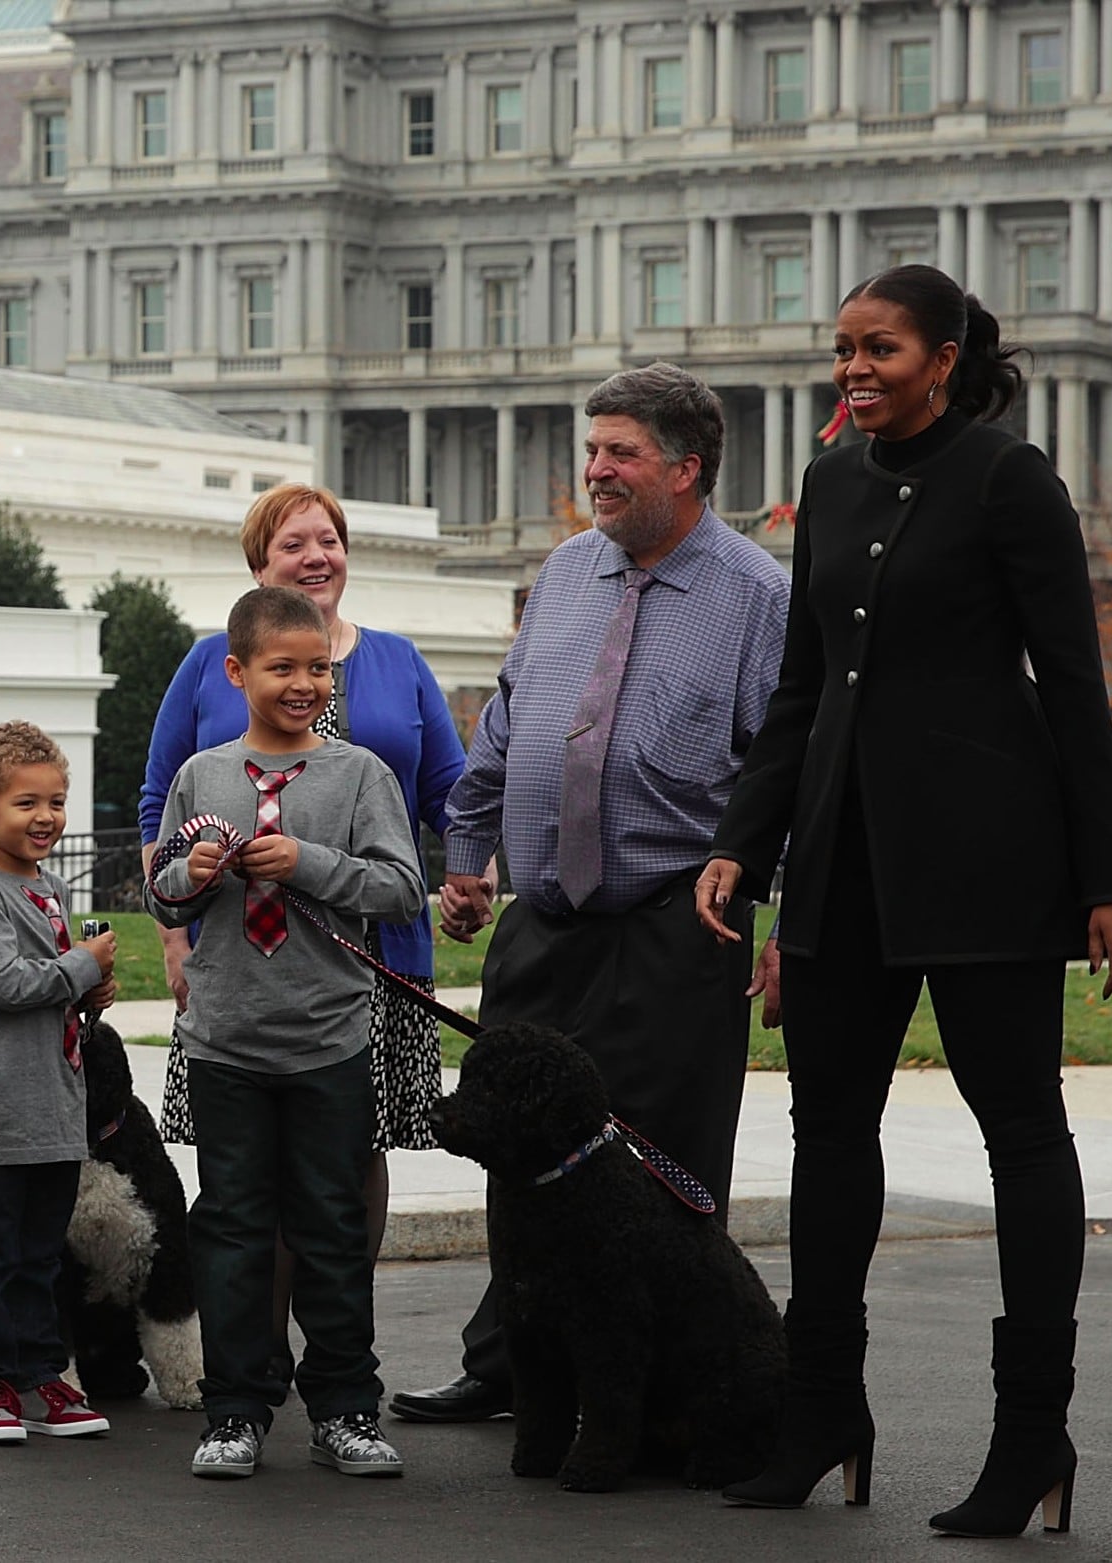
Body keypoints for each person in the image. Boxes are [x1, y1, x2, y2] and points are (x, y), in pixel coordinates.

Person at [695, 266, 1112, 1537]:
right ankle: (822, 1410)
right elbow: (801, 690)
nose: (853, 368)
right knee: (828, 1136)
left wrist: (1110, 884)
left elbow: (1071, 684)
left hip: (991, 863)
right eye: (841, 348)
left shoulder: (1009, 480)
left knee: (1021, 1133)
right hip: (843, 860)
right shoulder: (831, 482)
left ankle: (1030, 1438)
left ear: (942, 358)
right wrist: (748, 842)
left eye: (878, 348)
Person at [393, 362, 791, 1428]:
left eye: (620, 453)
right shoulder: (566, 573)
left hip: (677, 927)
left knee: (655, 1171)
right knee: (514, 1153)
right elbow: (512, 727)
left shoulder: (758, 597)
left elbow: (785, 775)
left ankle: (667, 1398)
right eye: (594, 449)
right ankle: (511, 1368)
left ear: (685, 467)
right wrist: (468, 853)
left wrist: (786, 921)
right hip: (543, 926)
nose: (596, 471)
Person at [138, 482, 467, 1269]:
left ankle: (340, 1340)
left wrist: (470, 873)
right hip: (241, 965)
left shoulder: (400, 659)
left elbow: (452, 793)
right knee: (250, 1165)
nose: (316, 556)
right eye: (293, 543)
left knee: (353, 1149)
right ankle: (258, 1349)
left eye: (329, 540)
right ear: (259, 566)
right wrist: (173, 937)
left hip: (377, 955)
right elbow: (161, 805)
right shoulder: (204, 663)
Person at [150, 585, 427, 1481]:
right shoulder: (203, 773)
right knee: (230, 1230)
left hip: (330, 1046)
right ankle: (234, 1408)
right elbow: (160, 887)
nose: (304, 683)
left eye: (318, 668)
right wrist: (186, 877)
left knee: (333, 1228)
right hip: (227, 1042)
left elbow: (399, 888)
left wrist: (307, 862)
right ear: (237, 672)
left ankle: (346, 1405)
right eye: (283, 668)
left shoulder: (361, 777)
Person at [0, 720, 120, 1444]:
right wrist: (80, 965)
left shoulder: (53, 886)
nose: (46, 817)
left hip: (53, 1112)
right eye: (25, 803)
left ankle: (41, 1370)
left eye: (57, 801)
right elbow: (6, 984)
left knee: (43, 1256)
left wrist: (88, 991)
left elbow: (51, 990)